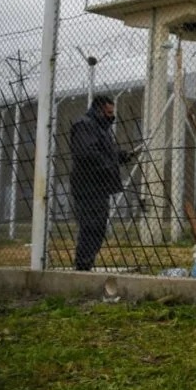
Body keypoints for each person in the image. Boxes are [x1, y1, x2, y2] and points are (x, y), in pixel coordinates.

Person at [69, 95, 135, 271]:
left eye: (112, 113)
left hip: (99, 187)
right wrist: (110, 163)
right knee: (91, 227)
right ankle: (83, 266)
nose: (111, 117)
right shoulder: (85, 125)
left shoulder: (99, 128)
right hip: (88, 187)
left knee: (97, 227)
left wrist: (119, 156)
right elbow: (86, 154)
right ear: (99, 110)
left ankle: (85, 264)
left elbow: (102, 152)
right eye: (108, 113)